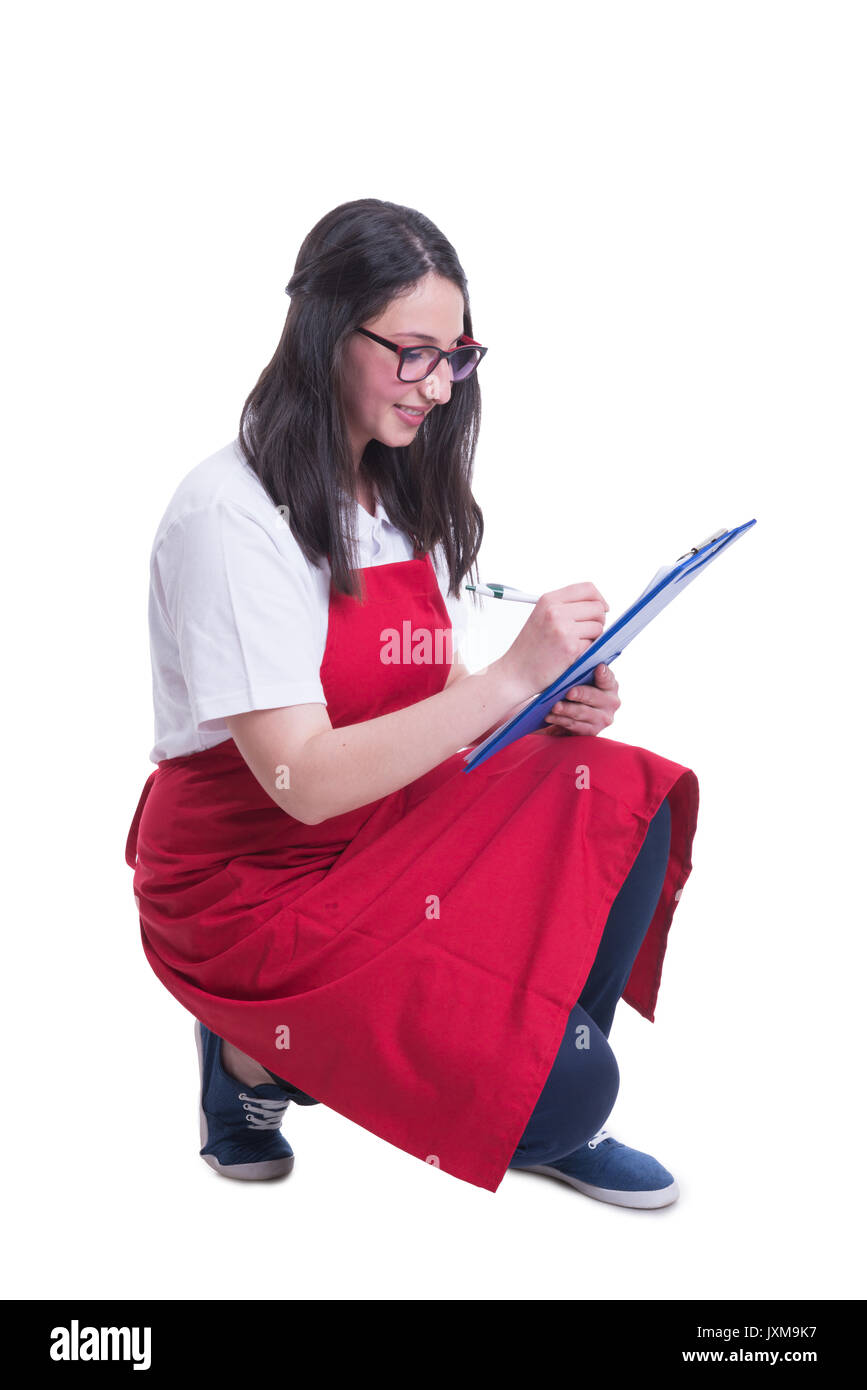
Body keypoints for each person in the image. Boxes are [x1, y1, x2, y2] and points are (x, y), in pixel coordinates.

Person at [125, 197, 699, 1206]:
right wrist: (507, 679)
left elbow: (428, 691)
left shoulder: (397, 494)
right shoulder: (230, 517)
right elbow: (302, 783)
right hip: (251, 879)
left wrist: (543, 700)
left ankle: (525, 1063)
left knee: (618, 787)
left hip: (385, 825)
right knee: (568, 1093)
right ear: (325, 330)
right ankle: (254, 1059)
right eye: (414, 352)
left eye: (456, 356)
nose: (438, 386)